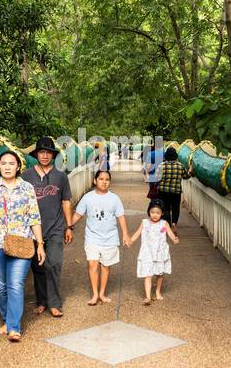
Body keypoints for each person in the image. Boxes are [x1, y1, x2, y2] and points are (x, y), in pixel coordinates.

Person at [0, 149, 45, 343]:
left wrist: (40, 244)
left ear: (18, 166)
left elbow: (34, 217)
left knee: (15, 284)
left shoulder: (27, 188)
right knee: (2, 286)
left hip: (21, 244)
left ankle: (14, 327)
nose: (7, 166)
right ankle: (7, 319)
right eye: (3, 163)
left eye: (11, 163)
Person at [23, 136, 73, 318]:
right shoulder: (26, 176)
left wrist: (69, 226)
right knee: (38, 267)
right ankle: (42, 301)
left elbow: (66, 201)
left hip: (55, 229)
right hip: (32, 230)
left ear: (53, 155)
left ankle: (54, 303)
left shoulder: (61, 176)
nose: (45, 156)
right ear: (36, 154)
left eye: (48, 153)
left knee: (54, 264)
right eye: (42, 152)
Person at [71, 168, 131, 305]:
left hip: (110, 238)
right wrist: (68, 226)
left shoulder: (114, 198)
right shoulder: (88, 197)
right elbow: (78, 214)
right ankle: (95, 294)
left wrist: (125, 234)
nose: (104, 182)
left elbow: (121, 216)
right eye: (101, 179)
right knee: (92, 264)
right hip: (92, 237)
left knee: (105, 266)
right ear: (95, 181)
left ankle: (102, 293)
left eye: (107, 179)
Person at [129, 199, 180, 304]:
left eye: (157, 213)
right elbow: (137, 233)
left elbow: (170, 234)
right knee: (148, 274)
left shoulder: (164, 224)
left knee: (159, 274)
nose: (155, 215)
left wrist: (174, 239)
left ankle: (157, 291)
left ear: (162, 213)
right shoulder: (145, 222)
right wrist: (130, 241)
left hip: (160, 253)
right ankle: (147, 296)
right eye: (152, 212)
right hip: (147, 252)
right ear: (149, 212)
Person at [157, 145, 184, 230]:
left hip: (163, 191)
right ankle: (174, 223)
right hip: (176, 191)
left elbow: (157, 178)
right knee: (176, 208)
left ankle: (168, 224)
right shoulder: (180, 166)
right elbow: (186, 176)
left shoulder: (162, 165)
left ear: (166, 155)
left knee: (165, 208)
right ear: (176, 155)